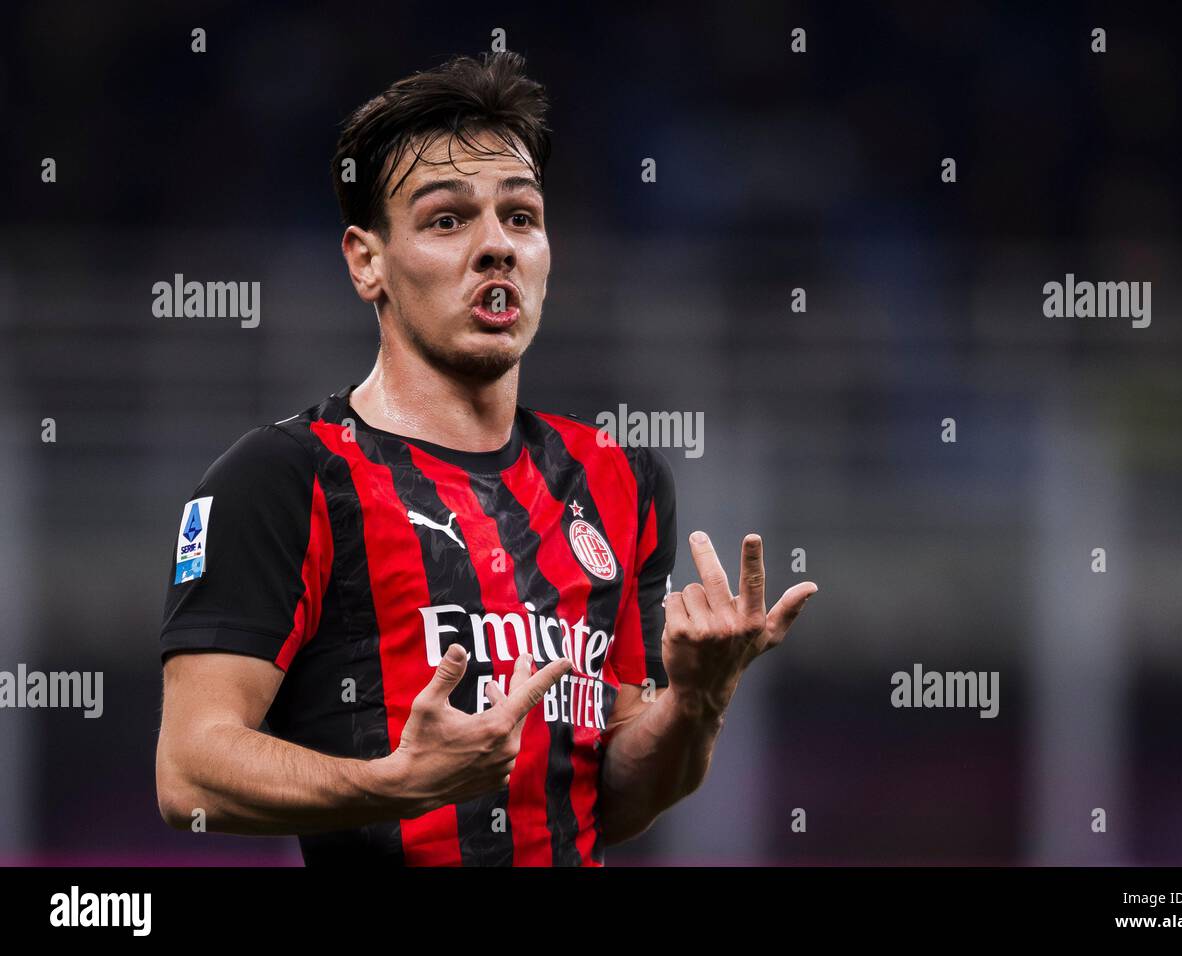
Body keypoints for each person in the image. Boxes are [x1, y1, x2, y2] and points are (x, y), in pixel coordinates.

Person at [155, 51, 817, 865]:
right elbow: (189, 772)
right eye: (446, 219)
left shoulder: (622, 480)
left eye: (522, 216)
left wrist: (702, 697)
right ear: (368, 261)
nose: (496, 246)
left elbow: (616, 800)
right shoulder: (285, 477)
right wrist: (402, 783)